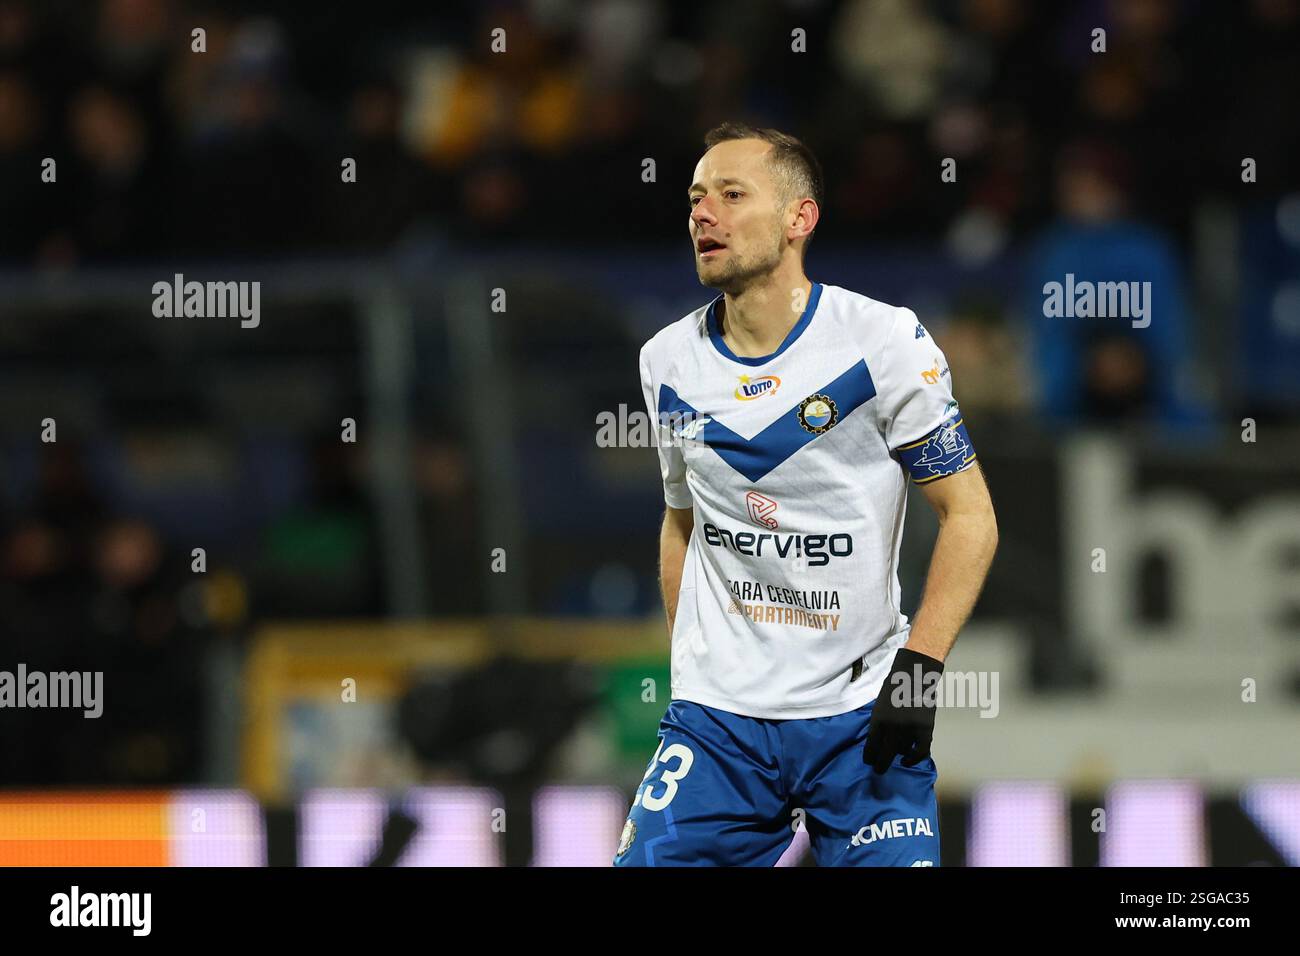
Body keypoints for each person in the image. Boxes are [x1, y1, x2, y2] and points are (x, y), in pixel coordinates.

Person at [614, 122, 998, 867]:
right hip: (718, 729)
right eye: (696, 198)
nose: (703, 214)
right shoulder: (665, 361)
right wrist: (694, 671)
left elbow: (970, 515)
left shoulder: (885, 343)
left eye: (731, 194)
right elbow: (680, 521)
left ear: (799, 219)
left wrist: (918, 673)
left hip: (858, 722)